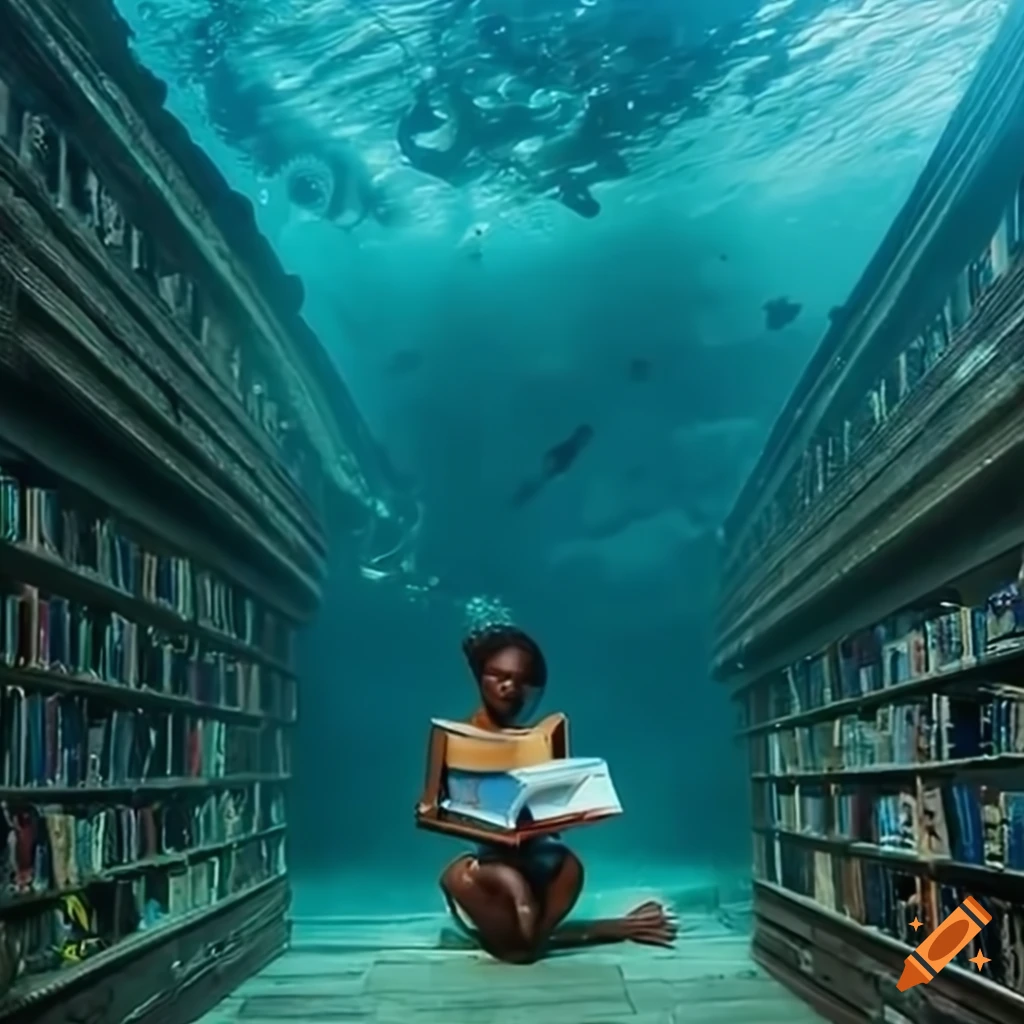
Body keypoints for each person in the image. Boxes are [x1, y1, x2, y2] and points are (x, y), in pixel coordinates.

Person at [416, 624, 677, 963]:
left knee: (558, 887)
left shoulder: (540, 740)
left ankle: (595, 923)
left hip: (535, 862)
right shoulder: (452, 737)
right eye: (498, 676)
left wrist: (577, 808)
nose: (510, 688)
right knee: (518, 949)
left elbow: (554, 819)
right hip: (482, 869)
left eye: (521, 680)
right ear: (481, 676)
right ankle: (505, 885)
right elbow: (427, 810)